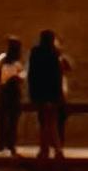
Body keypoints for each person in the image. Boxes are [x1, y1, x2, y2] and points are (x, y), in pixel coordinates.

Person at [27, 25, 70, 159]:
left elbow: (32, 74)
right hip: (52, 93)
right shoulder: (54, 53)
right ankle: (56, 149)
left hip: (39, 93)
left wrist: (32, 94)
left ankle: (44, 149)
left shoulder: (35, 52)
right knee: (52, 122)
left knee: (44, 122)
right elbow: (57, 75)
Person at [0, 34, 27, 159]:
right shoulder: (14, 61)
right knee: (9, 119)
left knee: (5, 118)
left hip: (6, 90)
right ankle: (8, 144)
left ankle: (4, 144)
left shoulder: (5, 58)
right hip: (11, 91)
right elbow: (22, 75)